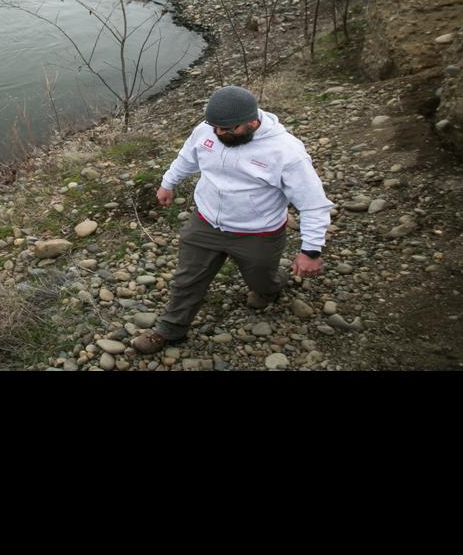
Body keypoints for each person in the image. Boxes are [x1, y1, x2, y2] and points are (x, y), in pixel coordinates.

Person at [130, 86, 335, 356]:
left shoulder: (286, 152)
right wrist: (168, 183)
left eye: (227, 129)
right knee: (186, 280)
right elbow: (188, 157)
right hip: (205, 223)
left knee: (262, 283)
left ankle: (271, 287)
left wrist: (310, 251)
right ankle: (170, 330)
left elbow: (313, 204)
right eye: (214, 127)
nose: (218, 133)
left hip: (258, 233)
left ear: (252, 122)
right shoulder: (208, 130)